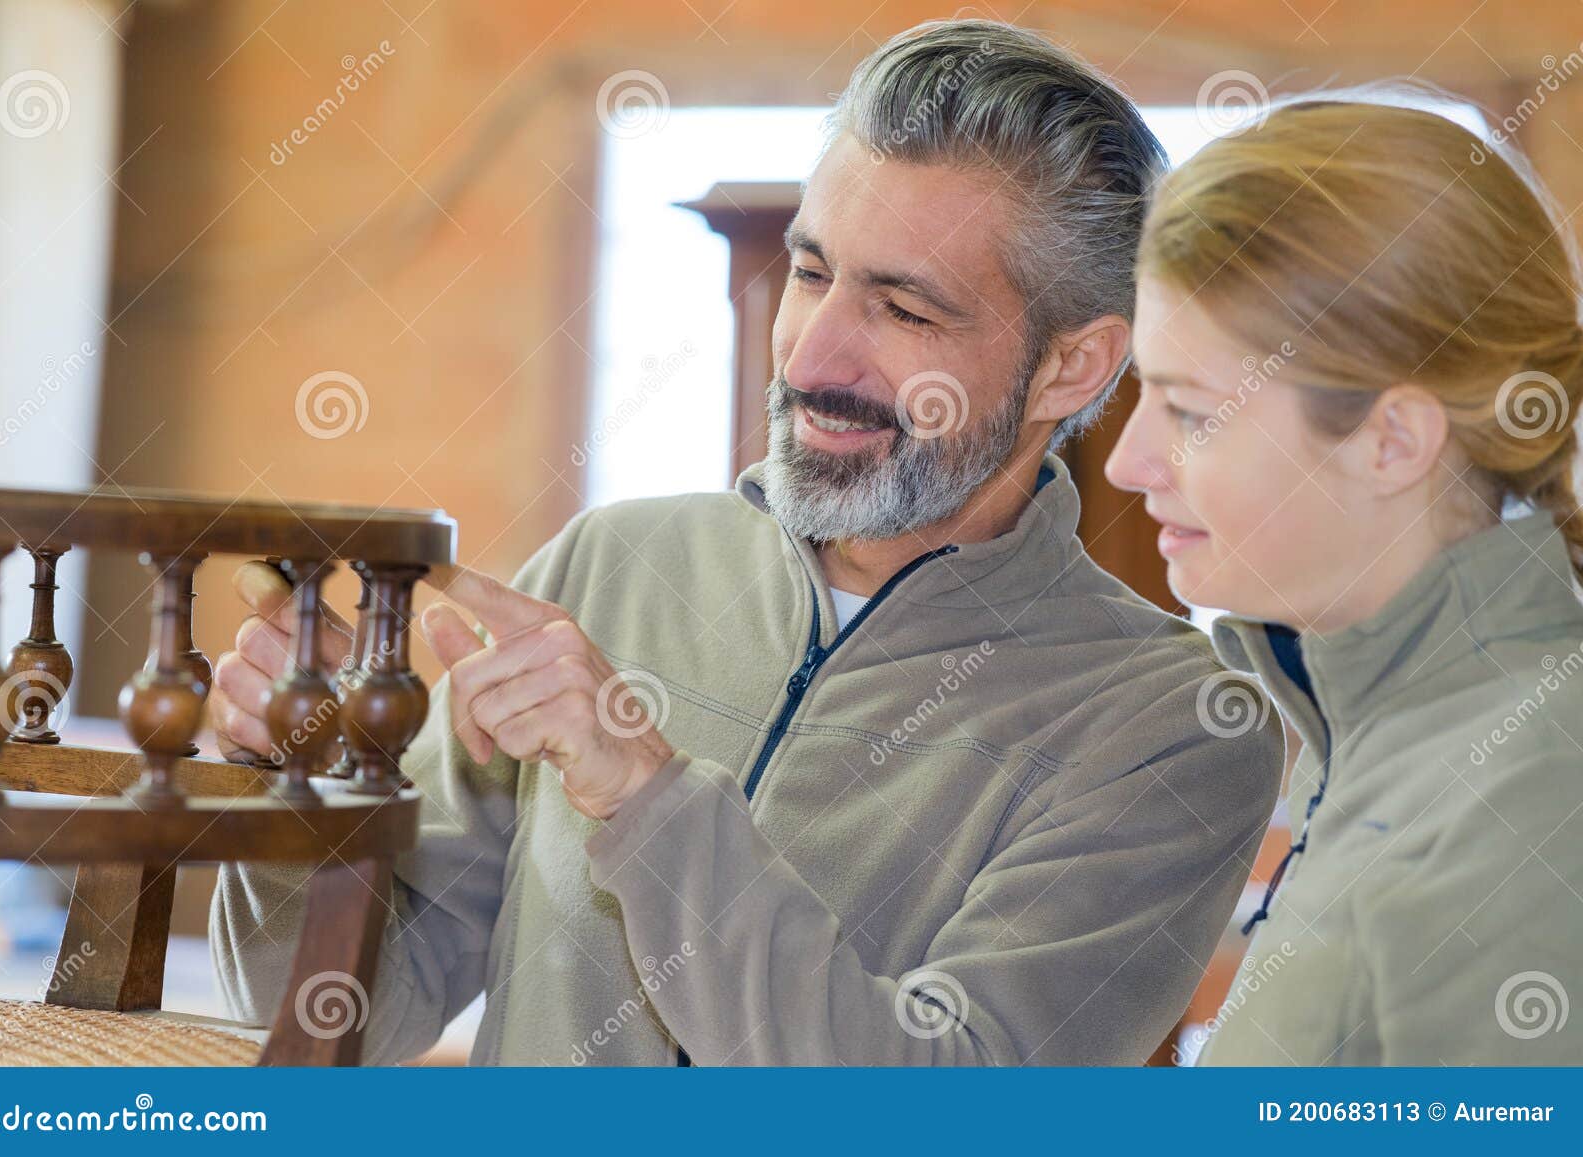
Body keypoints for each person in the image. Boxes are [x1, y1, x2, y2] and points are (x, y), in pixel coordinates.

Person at [208, 18, 1284, 1066]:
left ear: (1073, 367)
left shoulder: (1172, 728)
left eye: (903, 309)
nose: (813, 354)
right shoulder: (609, 569)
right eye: (812, 273)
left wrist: (645, 798)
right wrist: (299, 793)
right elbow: (337, 1019)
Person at [1107, 93, 1583, 1064]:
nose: (1126, 461)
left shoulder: (1528, 801)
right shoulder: (1365, 732)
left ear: (1391, 439)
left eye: (1188, 410)